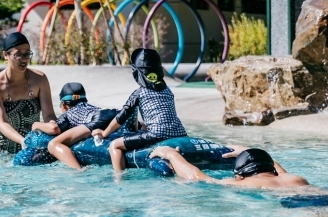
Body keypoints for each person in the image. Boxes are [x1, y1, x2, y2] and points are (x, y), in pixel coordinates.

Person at [91, 48, 187, 171]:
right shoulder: (167, 90)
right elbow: (163, 116)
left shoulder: (139, 93)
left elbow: (121, 117)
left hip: (157, 135)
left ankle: (119, 177)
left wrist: (104, 133)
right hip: (180, 132)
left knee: (114, 146)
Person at [0, 32, 57, 153]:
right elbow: (2, 123)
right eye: (18, 54)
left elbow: (49, 115)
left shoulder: (39, 79)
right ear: (5, 55)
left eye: (27, 54)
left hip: (32, 143)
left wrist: (53, 127)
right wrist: (22, 141)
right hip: (2, 148)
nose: (24, 59)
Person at [149, 145, 311, 188]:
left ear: (239, 176)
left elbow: (197, 177)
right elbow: (277, 169)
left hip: (298, 208)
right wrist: (247, 150)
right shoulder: (295, 179)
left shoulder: (240, 183)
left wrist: (171, 155)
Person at [45, 82, 112, 169]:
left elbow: (54, 128)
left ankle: (79, 170)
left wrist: (36, 125)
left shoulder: (69, 113)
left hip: (97, 119)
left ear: (64, 105)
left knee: (53, 144)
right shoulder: (89, 107)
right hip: (110, 113)